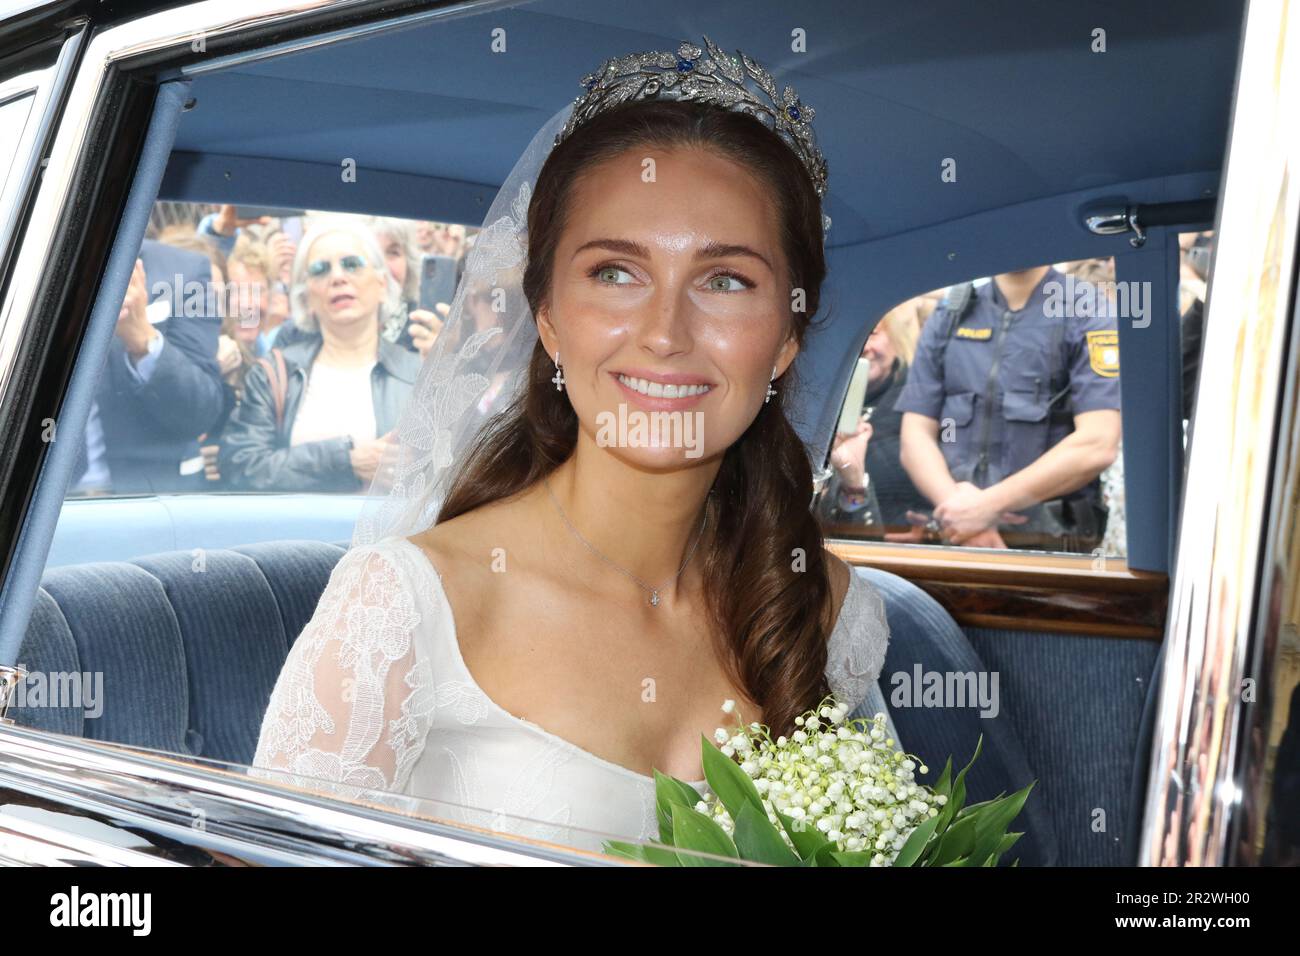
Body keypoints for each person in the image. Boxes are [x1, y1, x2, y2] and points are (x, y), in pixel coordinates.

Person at [251, 36, 897, 854]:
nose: (665, 334)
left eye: (725, 280)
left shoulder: (829, 610)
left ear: (786, 339)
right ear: (548, 319)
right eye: (615, 273)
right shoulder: (413, 604)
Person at [895, 266, 1122, 552]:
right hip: (952, 536)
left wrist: (985, 508)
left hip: (1048, 543)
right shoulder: (951, 312)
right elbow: (915, 434)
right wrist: (960, 515)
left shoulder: (1087, 310)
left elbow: (1098, 443)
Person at [217, 221, 421, 492]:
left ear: (382, 283)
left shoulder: (420, 375)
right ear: (306, 298)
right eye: (319, 269)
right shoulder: (275, 373)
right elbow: (241, 465)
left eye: (352, 264)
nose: (338, 277)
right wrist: (346, 462)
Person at [69, 238, 227, 494]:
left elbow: (202, 410)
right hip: (32, 502)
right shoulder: (21, 263)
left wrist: (142, 338)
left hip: (148, 502)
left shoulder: (183, 271)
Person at [818, 299, 929, 530]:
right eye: (849, 337)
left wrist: (929, 528)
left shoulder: (924, 406)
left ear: (896, 339)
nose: (861, 346)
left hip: (903, 553)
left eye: (872, 333)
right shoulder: (816, 406)